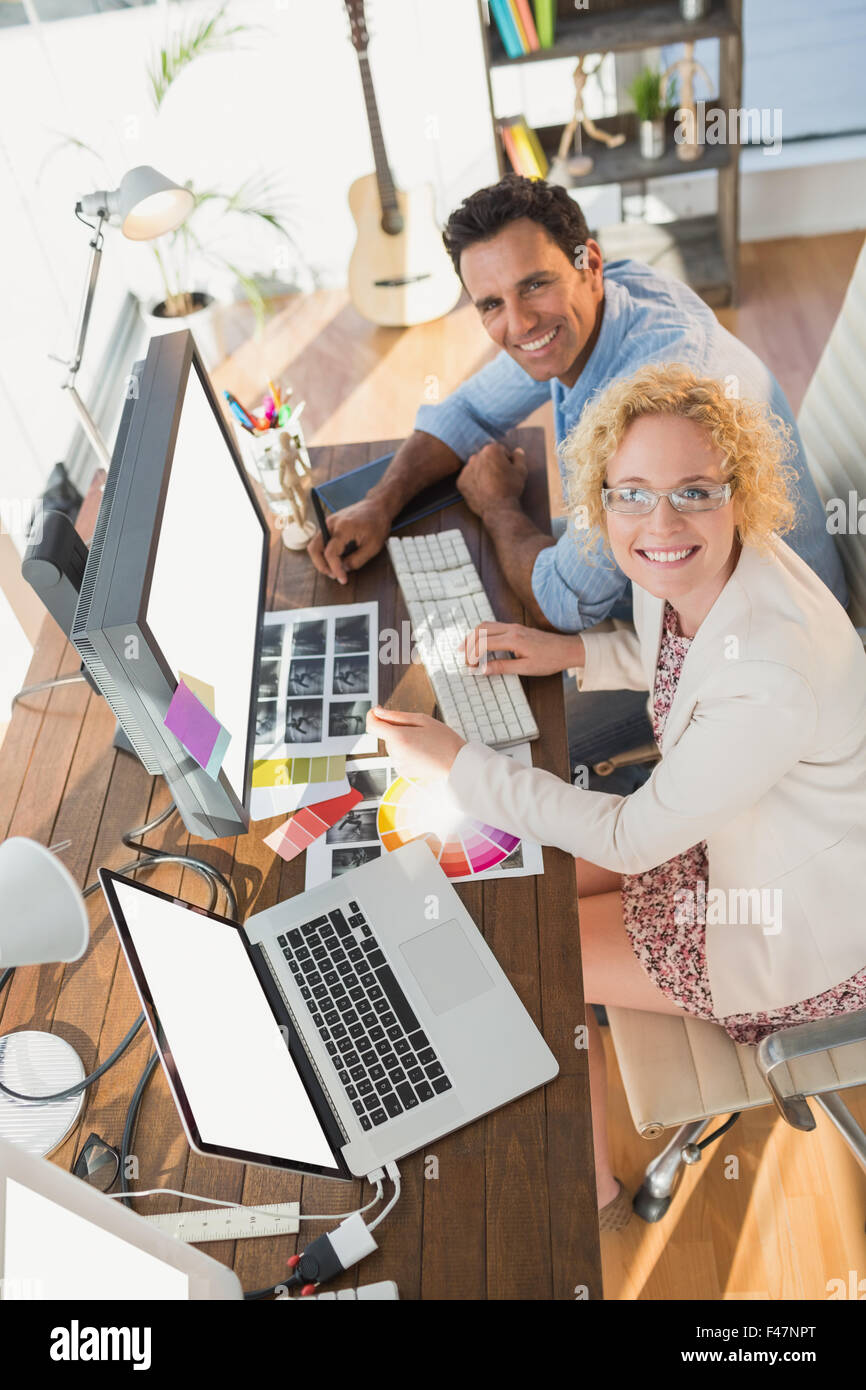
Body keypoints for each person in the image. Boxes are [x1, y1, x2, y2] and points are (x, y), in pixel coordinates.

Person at [365, 365, 866, 1231]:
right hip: (720, 834)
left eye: (692, 493)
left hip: (776, 927)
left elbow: (634, 836)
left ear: (738, 492)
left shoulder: (772, 674)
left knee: (522, 952)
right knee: (513, 886)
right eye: (631, 494)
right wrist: (574, 656)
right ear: (606, 494)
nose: (659, 523)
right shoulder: (700, 562)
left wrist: (456, 763)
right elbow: (683, 656)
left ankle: (581, 1195)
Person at [309, 173, 847, 780]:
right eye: (491, 304)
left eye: (533, 284)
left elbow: (563, 603)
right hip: (669, 578)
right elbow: (468, 412)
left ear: (588, 264)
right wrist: (380, 505)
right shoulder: (596, 308)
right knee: (467, 599)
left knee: (514, 754)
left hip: (752, 656)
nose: (516, 324)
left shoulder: (647, 401)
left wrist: (498, 507)